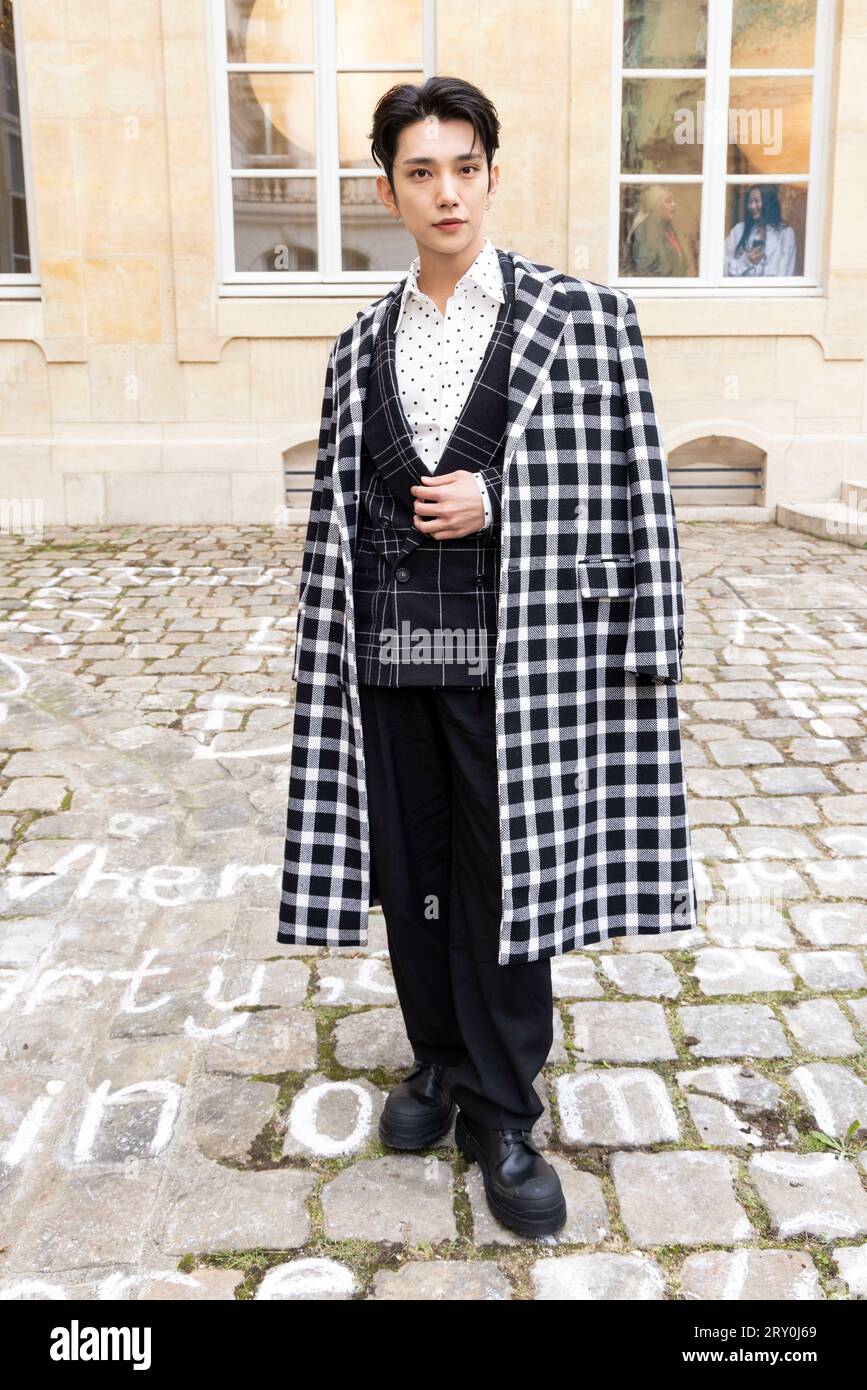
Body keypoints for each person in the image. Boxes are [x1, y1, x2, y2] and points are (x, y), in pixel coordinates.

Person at [278, 75, 698, 1241]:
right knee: (410, 866)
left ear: (493, 174)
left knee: (504, 873)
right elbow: (337, 515)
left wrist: (501, 497)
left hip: (527, 660)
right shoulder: (358, 339)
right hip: (393, 648)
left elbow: (635, 492)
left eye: (465, 166)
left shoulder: (585, 320)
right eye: (421, 171)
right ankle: (440, 1062)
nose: (446, 190)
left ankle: (505, 1108)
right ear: (388, 189)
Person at [724, 184, 797, 277]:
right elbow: (720, 269)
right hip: (741, 291)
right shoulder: (738, 230)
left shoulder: (786, 234)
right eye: (750, 202)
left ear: (769, 203)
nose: (752, 206)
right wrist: (745, 261)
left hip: (773, 291)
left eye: (756, 201)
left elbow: (786, 275)